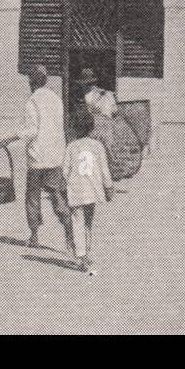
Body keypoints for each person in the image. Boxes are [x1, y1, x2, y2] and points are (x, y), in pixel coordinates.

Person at [19, 65, 73, 250]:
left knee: (33, 196)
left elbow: (32, 130)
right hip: (56, 156)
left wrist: (13, 137)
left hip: (37, 157)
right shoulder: (56, 99)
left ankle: (34, 236)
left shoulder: (32, 101)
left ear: (32, 82)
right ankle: (69, 233)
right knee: (57, 195)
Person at [62, 110, 113, 275]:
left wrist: (65, 186)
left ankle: (81, 255)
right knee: (88, 221)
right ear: (91, 127)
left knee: (77, 221)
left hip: (76, 189)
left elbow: (65, 170)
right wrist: (109, 187)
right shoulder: (97, 146)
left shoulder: (71, 147)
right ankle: (87, 252)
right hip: (92, 190)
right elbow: (105, 169)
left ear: (74, 128)